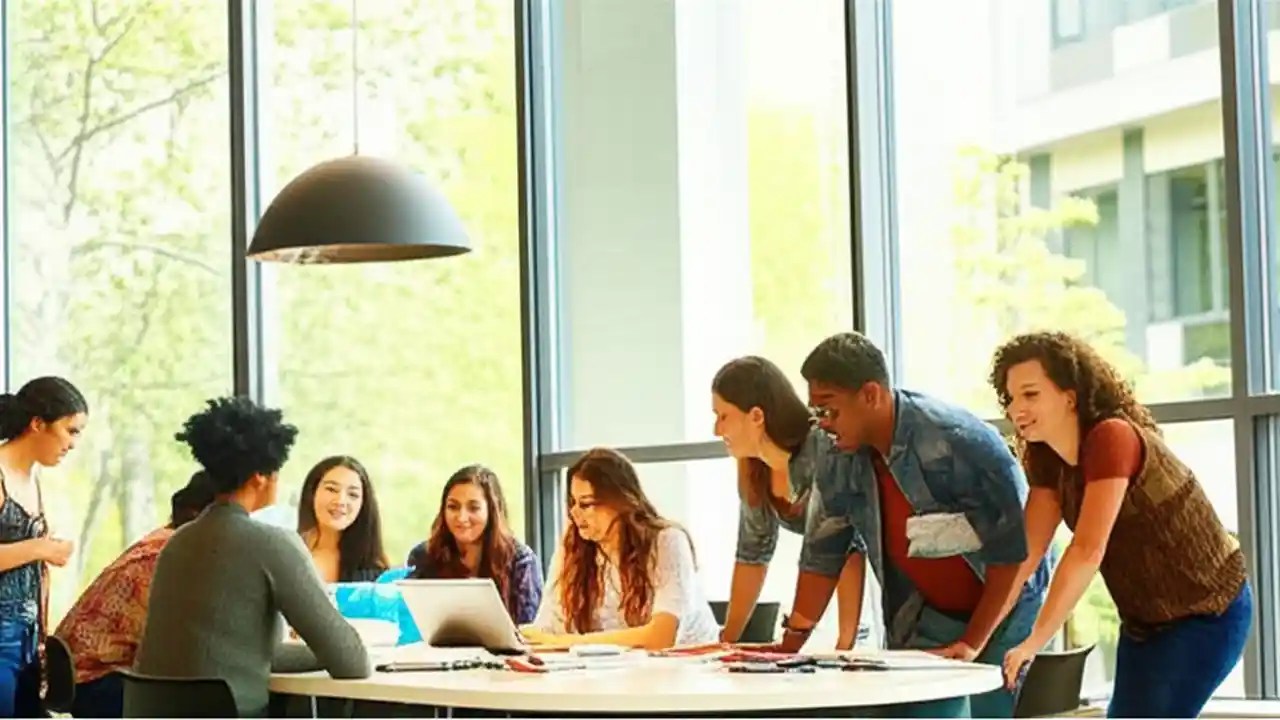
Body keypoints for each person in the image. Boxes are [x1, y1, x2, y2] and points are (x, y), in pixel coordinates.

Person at [782, 332, 1049, 718]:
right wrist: (789, 645)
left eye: (830, 410)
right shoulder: (834, 452)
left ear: (871, 395)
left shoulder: (956, 439)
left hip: (1006, 610)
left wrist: (974, 642)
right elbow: (823, 549)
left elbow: (1013, 552)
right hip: (928, 614)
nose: (822, 424)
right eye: (817, 413)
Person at [990, 331, 1251, 718]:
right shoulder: (1046, 460)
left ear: (1069, 396)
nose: (1016, 409)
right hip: (1144, 623)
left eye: (1030, 394)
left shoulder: (1113, 438)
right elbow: (1026, 554)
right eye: (1010, 398)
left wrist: (1034, 642)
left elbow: (1086, 551)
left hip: (1207, 613)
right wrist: (975, 639)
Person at [134, 397, 370, 717]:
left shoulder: (177, 543)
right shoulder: (273, 544)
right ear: (261, 476)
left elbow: (249, 653)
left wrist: (323, 654)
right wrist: (337, 651)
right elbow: (352, 663)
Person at [712, 356, 865, 648]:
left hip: (866, 597)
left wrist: (846, 645)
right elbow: (752, 554)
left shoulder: (824, 446)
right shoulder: (753, 468)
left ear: (756, 416)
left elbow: (847, 545)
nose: (716, 430)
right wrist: (726, 643)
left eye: (723, 416)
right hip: (820, 604)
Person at [55, 471, 218, 718]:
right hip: (101, 680)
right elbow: (174, 645)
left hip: (77, 676)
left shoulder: (161, 541)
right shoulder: (171, 555)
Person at [522, 448, 718, 649]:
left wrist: (570, 643)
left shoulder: (667, 541)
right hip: (619, 669)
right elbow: (548, 627)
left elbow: (661, 637)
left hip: (689, 667)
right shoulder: (573, 547)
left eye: (586, 504)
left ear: (621, 502)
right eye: (572, 503)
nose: (574, 513)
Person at [0, 377, 87, 718]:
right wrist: (40, 548)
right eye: (71, 431)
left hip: (27, 642)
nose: (73, 444)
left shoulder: (33, 478)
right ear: (38, 424)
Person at [406, 464, 542, 625]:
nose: (462, 517)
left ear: (491, 510)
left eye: (474, 508)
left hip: (506, 650)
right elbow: (412, 622)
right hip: (438, 648)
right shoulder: (424, 555)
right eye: (453, 507)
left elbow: (528, 629)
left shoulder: (521, 560)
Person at [297, 455, 389, 583]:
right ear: (312, 493)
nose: (340, 501)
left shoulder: (376, 570)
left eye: (353, 494)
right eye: (331, 489)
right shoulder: (288, 554)